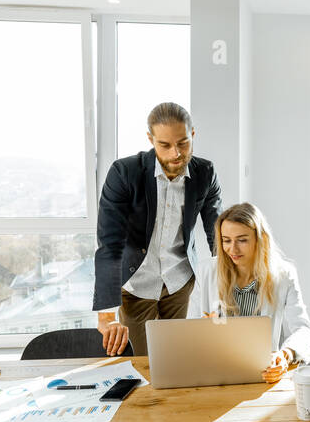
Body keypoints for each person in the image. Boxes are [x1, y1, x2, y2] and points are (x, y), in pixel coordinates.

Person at [92, 102, 222, 357]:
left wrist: (223, 290)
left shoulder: (205, 172)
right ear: (151, 139)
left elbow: (216, 233)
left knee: (174, 359)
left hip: (179, 281)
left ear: (192, 134)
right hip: (137, 283)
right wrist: (106, 314)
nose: (176, 153)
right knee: (144, 364)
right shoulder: (124, 172)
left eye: (183, 143)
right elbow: (110, 242)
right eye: (165, 145)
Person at [192, 202, 310, 383]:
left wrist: (286, 355)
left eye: (242, 240)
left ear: (260, 239)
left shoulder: (284, 274)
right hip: (216, 372)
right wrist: (202, 329)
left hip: (263, 373)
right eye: (226, 240)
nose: (232, 249)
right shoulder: (205, 271)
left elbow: (304, 330)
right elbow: (188, 329)